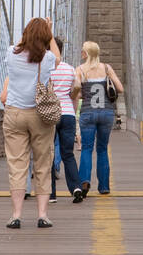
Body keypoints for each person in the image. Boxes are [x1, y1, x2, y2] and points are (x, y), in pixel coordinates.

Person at [0, 16, 60, 229]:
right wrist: (48, 33)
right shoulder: (48, 59)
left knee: (17, 164)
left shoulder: (11, 53)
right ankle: (42, 215)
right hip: (40, 115)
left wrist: (29, 35)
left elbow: (18, 46)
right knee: (43, 164)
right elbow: (59, 57)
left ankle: (16, 215)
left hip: (15, 113)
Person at [77, 42, 122, 197]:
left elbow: (76, 93)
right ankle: (104, 187)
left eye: (83, 50)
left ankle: (84, 181)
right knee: (102, 149)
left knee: (87, 148)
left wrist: (84, 93)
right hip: (106, 113)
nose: (81, 52)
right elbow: (120, 89)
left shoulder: (80, 70)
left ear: (87, 53)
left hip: (88, 113)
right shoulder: (107, 68)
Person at [48, 37, 84, 204]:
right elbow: (75, 93)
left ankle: (51, 194)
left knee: (48, 155)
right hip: (68, 114)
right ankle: (76, 187)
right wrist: (73, 111)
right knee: (68, 154)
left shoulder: (45, 68)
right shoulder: (70, 69)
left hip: (50, 114)